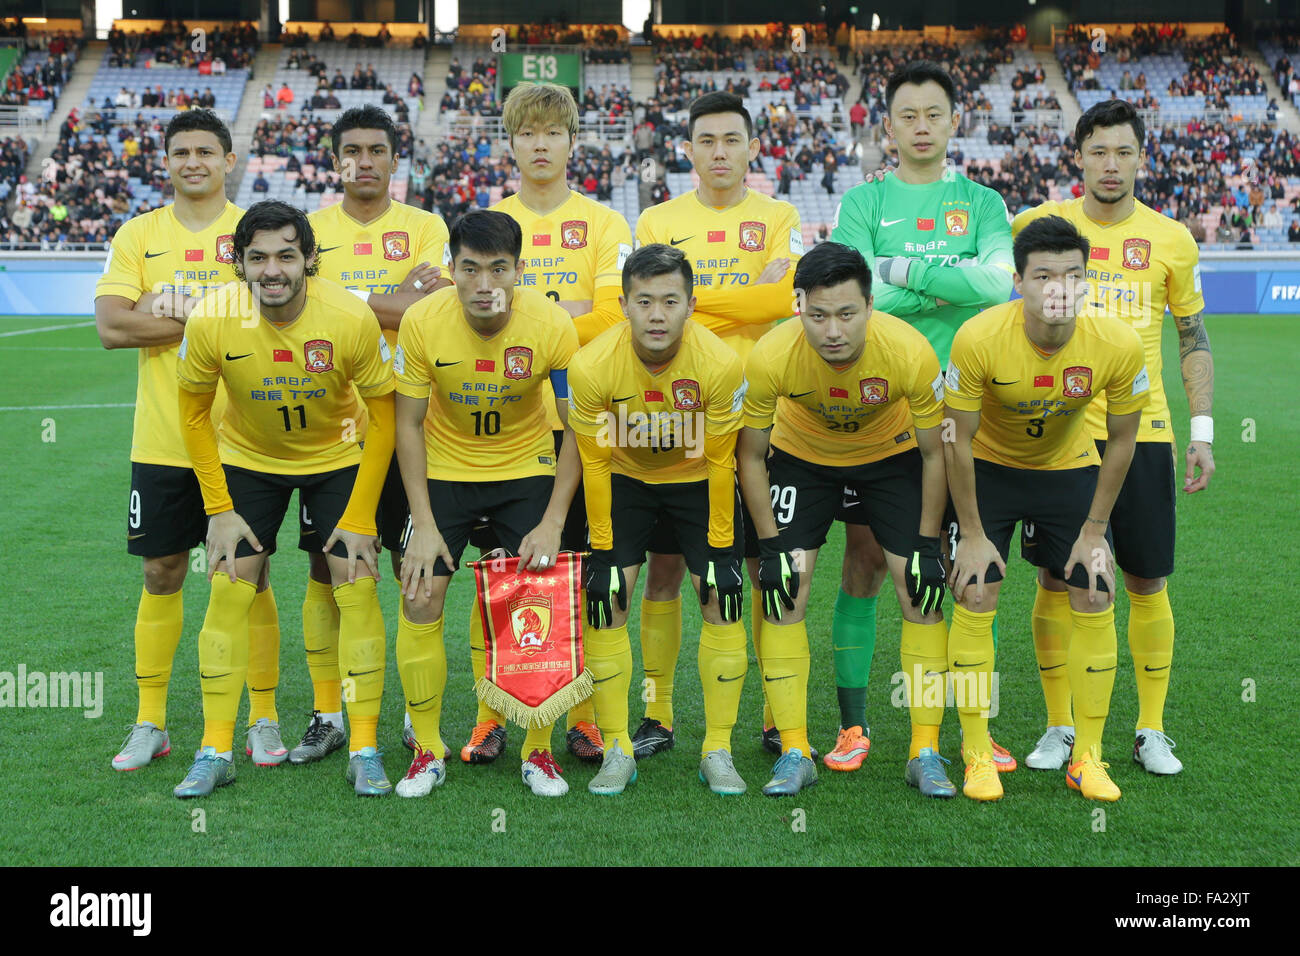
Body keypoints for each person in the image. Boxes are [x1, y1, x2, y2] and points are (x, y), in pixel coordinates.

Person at [1012, 99, 1213, 777]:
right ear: (1078, 156)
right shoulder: (1041, 228)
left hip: (1144, 431)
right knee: (1057, 577)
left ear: (1142, 158)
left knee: (1145, 578)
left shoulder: (1172, 238)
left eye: (1123, 151)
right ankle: (1060, 725)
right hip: (1060, 435)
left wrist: (1203, 429)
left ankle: (1150, 729)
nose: (1110, 163)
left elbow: (1193, 340)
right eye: (1098, 150)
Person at [828, 61, 1016, 772]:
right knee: (867, 563)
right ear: (889, 125)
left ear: (954, 121)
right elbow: (853, 296)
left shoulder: (986, 203)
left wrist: (900, 272)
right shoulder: (862, 202)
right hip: (883, 410)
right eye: (908, 115)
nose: (921, 126)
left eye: (934, 113)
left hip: (968, 414)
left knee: (965, 572)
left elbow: (998, 287)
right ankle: (854, 727)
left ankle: (969, 729)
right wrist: (947, 285)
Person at [172, 199, 395, 797]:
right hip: (249, 460)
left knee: (358, 583)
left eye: (286, 256)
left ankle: (364, 745)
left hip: (337, 457)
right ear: (239, 263)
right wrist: (218, 509)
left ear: (310, 260)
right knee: (227, 588)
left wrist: (359, 513)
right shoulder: (212, 318)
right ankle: (216, 748)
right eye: (259, 258)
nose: (273, 270)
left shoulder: (349, 316)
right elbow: (193, 415)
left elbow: (386, 414)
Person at [94, 109, 285, 773]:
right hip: (163, 441)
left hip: (244, 444)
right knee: (161, 571)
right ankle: (150, 721)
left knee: (247, 578)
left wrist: (177, 311)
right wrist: (215, 316)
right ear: (167, 161)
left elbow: (275, 316)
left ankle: (262, 716)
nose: (194, 161)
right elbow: (113, 328)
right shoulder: (139, 235)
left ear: (229, 159)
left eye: (206, 150)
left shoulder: (254, 235)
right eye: (182, 151)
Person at [944, 214, 1149, 801]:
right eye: (1042, 276)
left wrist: (1094, 531)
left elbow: (1123, 441)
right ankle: (977, 752)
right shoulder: (979, 338)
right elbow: (955, 440)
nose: (1058, 288)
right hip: (989, 469)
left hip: (1067, 468)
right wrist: (974, 532)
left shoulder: (1117, 343)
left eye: (1072, 275)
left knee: (1094, 584)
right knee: (976, 585)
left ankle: (1088, 756)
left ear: (1087, 282)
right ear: (1018, 281)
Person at [737, 242, 950, 795]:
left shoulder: (910, 353)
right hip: (802, 459)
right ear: (798, 304)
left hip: (892, 456)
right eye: (819, 314)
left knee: (919, 591)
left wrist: (928, 542)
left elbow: (935, 454)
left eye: (847, 314)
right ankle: (794, 749)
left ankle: (924, 751)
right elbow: (750, 455)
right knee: (786, 589)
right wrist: (769, 543)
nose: (833, 330)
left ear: (871, 306)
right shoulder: (770, 355)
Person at [629, 91, 804, 761]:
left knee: (763, 571)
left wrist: (691, 306)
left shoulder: (779, 213)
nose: (721, 151)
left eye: (733, 139)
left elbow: (781, 301)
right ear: (689, 149)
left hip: (762, 418)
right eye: (707, 140)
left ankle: (767, 716)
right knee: (667, 571)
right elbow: (648, 311)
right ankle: (658, 713)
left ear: (754, 146)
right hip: (676, 417)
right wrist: (742, 300)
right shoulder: (656, 218)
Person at [393, 209, 580, 797]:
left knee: (539, 598)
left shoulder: (551, 324)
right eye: (469, 268)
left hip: (526, 469)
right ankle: (426, 750)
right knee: (419, 594)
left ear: (520, 269)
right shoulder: (423, 322)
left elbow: (578, 430)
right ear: (450, 269)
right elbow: (407, 424)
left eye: (498, 268)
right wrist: (422, 523)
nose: (483, 284)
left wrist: (553, 521)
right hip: (445, 472)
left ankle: (538, 752)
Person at [474, 81, 635, 765]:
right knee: (499, 580)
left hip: (587, 426)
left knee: (582, 576)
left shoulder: (604, 225)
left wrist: (525, 307)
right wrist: (559, 306)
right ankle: (491, 715)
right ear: (509, 144)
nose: (540, 144)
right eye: (527, 134)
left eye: (553, 133)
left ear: (573, 142)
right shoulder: (485, 220)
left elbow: (612, 313)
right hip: (506, 430)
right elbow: (474, 306)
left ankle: (586, 715)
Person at [290, 105, 452, 765]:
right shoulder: (309, 230)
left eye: (375, 150)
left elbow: (429, 306)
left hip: (413, 425)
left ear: (394, 160)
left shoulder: (425, 225)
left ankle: (418, 718)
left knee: (414, 573)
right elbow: (298, 304)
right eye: (350, 150)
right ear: (334, 161)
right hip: (333, 432)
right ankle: (331, 710)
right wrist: (386, 297)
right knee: (329, 570)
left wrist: (338, 295)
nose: (363, 160)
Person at [568, 243, 746, 795]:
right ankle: (617, 746)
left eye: (670, 301)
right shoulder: (592, 365)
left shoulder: (719, 363)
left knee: (721, 595)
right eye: (644, 301)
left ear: (691, 304)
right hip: (623, 479)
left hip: (698, 480)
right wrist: (602, 552)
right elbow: (593, 463)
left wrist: (719, 549)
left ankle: (717, 747)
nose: (657, 314)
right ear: (623, 305)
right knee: (608, 596)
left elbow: (723, 461)